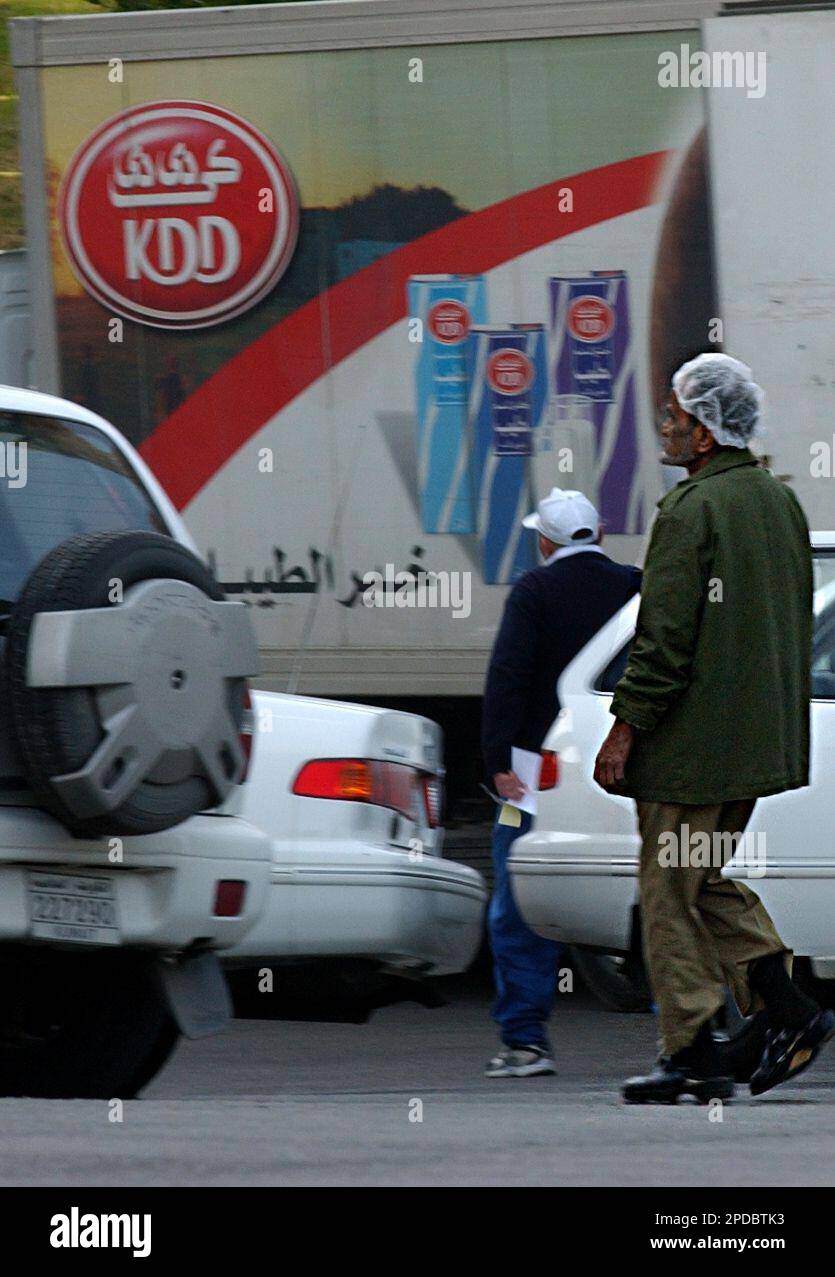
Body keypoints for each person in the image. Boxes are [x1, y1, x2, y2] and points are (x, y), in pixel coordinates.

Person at [594, 353, 834, 1104]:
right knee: (700, 879)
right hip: (755, 743)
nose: (664, 426)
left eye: (673, 414)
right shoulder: (777, 501)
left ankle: (694, 1049)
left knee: (667, 891)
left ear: (702, 430)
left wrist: (623, 728)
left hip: (690, 748)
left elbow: (662, 640)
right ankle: (783, 1008)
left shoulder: (689, 509)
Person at [483, 488, 640, 1077]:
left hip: (532, 775)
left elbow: (507, 678)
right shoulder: (634, 583)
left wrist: (497, 761)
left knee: (518, 904)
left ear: (544, 541)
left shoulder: (532, 591)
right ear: (596, 535)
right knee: (652, 893)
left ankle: (525, 1041)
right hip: (620, 762)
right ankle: (678, 1032)